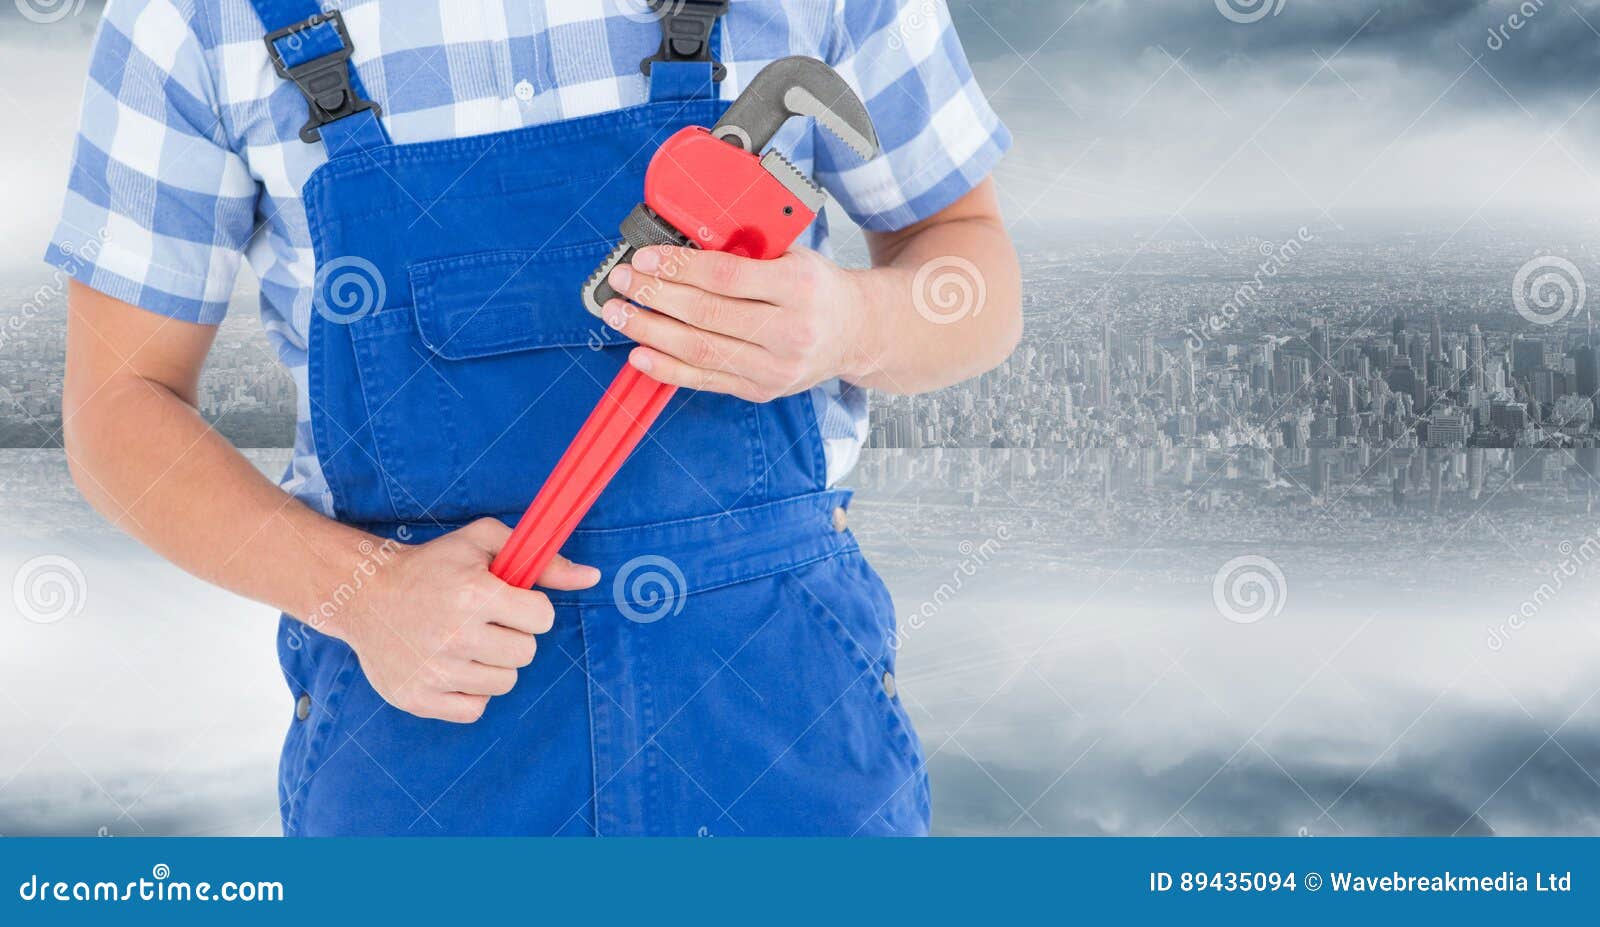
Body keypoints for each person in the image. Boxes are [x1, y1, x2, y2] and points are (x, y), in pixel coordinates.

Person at [52, 0, 1019, 836]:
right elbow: (116, 408)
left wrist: (853, 320)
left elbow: (972, 267)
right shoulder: (199, 21)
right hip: (427, 745)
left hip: (786, 723)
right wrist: (362, 592)